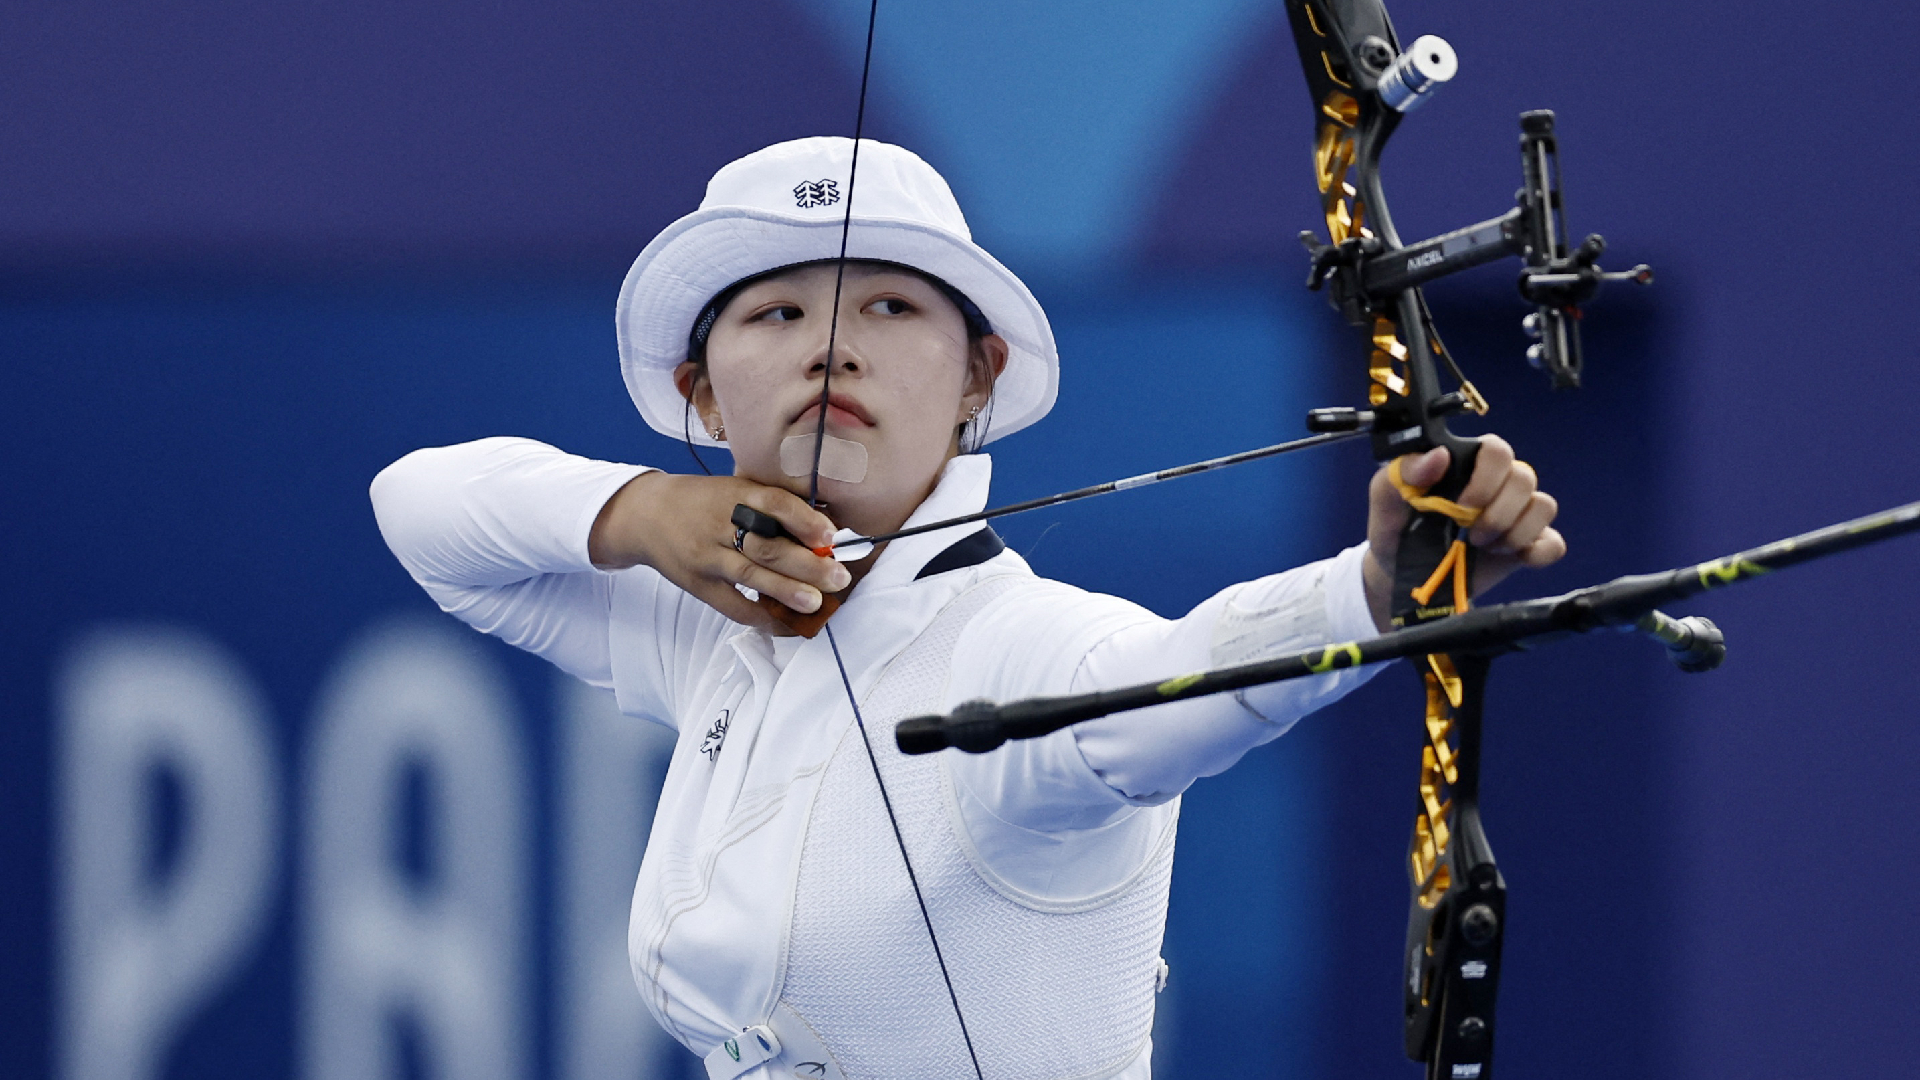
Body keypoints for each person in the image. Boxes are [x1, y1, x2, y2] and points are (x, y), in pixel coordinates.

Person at [369, 136, 1563, 1080]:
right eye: (775, 312)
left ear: (977, 379)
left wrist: (1372, 591)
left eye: (890, 308)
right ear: (700, 391)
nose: (831, 347)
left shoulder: (1019, 646)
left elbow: (1182, 680)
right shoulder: (706, 628)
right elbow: (419, 510)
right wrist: (639, 512)